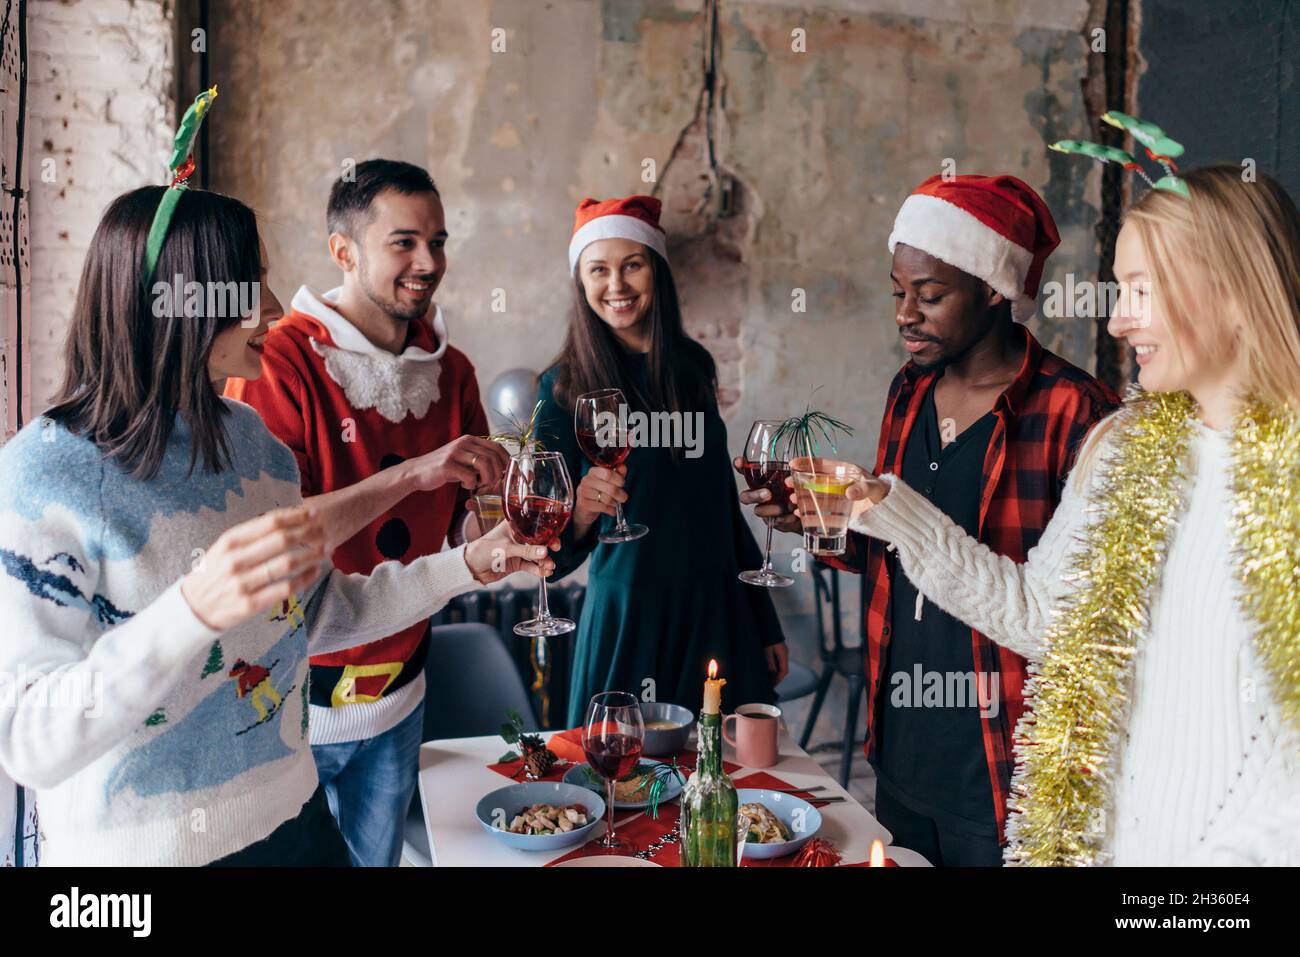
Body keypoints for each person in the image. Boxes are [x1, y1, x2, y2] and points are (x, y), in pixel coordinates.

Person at [0, 185, 552, 866]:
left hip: (295, 825)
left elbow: (318, 613)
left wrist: (467, 566)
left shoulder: (253, 445)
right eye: (248, 284)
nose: (271, 307)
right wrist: (193, 608)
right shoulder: (43, 474)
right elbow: (29, 738)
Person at [835, 165, 1300, 865]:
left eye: (1143, 289)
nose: (1117, 320)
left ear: (1233, 293)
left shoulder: (1277, 480)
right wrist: (882, 509)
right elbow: (1041, 616)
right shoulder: (1122, 451)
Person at [744, 174, 1118, 865]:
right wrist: (815, 524)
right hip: (903, 750)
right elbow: (896, 549)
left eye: (931, 294)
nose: (904, 314)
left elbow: (1073, 617)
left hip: (1002, 761)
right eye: (898, 291)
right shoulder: (909, 391)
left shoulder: (1077, 413)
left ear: (994, 289)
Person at [224, 160, 508, 866]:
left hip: (402, 693)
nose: (428, 262)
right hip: (290, 708)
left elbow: (466, 526)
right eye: (405, 242)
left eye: (438, 242)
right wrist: (417, 473)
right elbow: (273, 539)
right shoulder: (279, 360)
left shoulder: (456, 371)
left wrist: (513, 525)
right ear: (343, 252)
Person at [537, 195, 789, 727]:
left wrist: (762, 620)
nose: (617, 285)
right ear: (581, 283)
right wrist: (581, 513)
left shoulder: (693, 366)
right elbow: (549, 561)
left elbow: (721, 499)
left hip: (714, 606)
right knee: (626, 785)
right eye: (598, 269)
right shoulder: (561, 388)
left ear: (657, 270)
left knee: (724, 777)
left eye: (632, 264)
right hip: (629, 615)